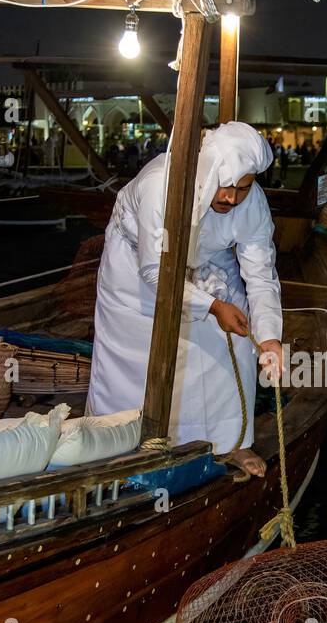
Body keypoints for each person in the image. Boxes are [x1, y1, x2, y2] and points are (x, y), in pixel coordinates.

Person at [86, 121, 283, 478]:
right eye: (226, 187)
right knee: (143, 354)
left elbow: (260, 270)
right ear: (208, 173)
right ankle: (121, 444)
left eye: (243, 188)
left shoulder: (251, 202)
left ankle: (231, 441)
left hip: (207, 262)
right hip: (139, 266)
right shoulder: (159, 187)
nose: (231, 198)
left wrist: (269, 336)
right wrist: (211, 306)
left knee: (235, 343)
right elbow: (155, 271)